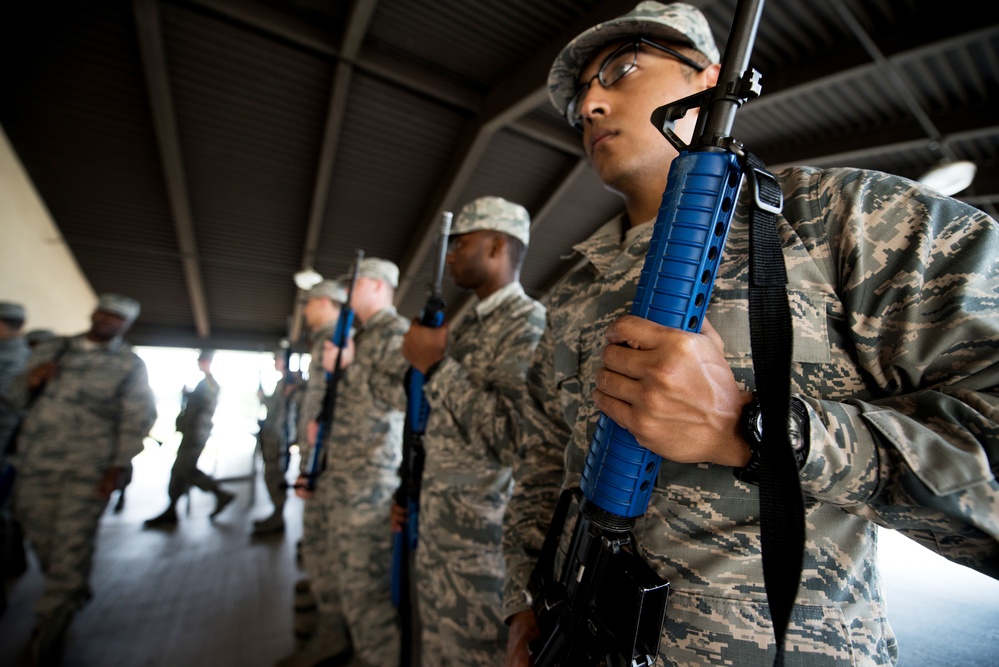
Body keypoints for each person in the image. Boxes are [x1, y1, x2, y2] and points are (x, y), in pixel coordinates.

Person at [502, 3, 999, 666]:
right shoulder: (572, 294)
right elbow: (540, 459)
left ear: (709, 78)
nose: (590, 103)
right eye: (579, 97)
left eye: (620, 70)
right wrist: (524, 600)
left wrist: (756, 427)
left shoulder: (842, 221)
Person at [398, 196, 546, 666]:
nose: (452, 255)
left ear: (498, 245)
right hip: (441, 533)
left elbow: (516, 440)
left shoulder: (527, 325)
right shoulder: (468, 326)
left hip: (481, 549)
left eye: (461, 244)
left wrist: (437, 367)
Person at [6, 294, 156, 664]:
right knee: (41, 538)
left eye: (118, 318)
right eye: (105, 313)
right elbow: (10, 398)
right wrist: (30, 381)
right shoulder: (53, 350)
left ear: (126, 325)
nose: (109, 321)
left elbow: (137, 417)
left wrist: (118, 465)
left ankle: (51, 624)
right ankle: (67, 590)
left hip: (88, 469)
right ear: (94, 313)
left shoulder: (128, 364)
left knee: (71, 543)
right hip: (36, 463)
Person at [316, 257, 409, 667]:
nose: (345, 297)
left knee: (366, 590)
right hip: (346, 478)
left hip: (371, 481)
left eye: (352, 286)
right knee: (348, 583)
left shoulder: (397, 333)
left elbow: (408, 399)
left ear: (374, 285)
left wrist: (352, 367)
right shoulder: (361, 335)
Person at [277, 278, 351, 665]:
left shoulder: (333, 343)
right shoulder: (328, 342)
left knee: (326, 558)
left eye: (309, 305)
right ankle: (330, 630)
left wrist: (309, 467)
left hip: (326, 472)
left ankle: (335, 635)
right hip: (321, 469)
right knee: (321, 557)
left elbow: (321, 416)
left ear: (323, 303)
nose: (306, 312)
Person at [145, 349, 235, 526]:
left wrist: (191, 396)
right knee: (179, 470)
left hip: (196, 433)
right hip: (192, 432)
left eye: (202, 360)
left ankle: (220, 493)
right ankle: (172, 508)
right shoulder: (204, 383)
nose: (199, 363)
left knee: (186, 468)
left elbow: (205, 405)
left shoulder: (209, 382)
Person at [252, 347, 302, 536]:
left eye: (277, 360)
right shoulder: (282, 382)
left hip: (280, 437)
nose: (275, 363)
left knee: (275, 476)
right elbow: (274, 408)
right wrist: (263, 397)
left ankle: (278, 516)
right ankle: (276, 513)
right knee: (271, 475)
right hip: (272, 435)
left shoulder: (292, 381)